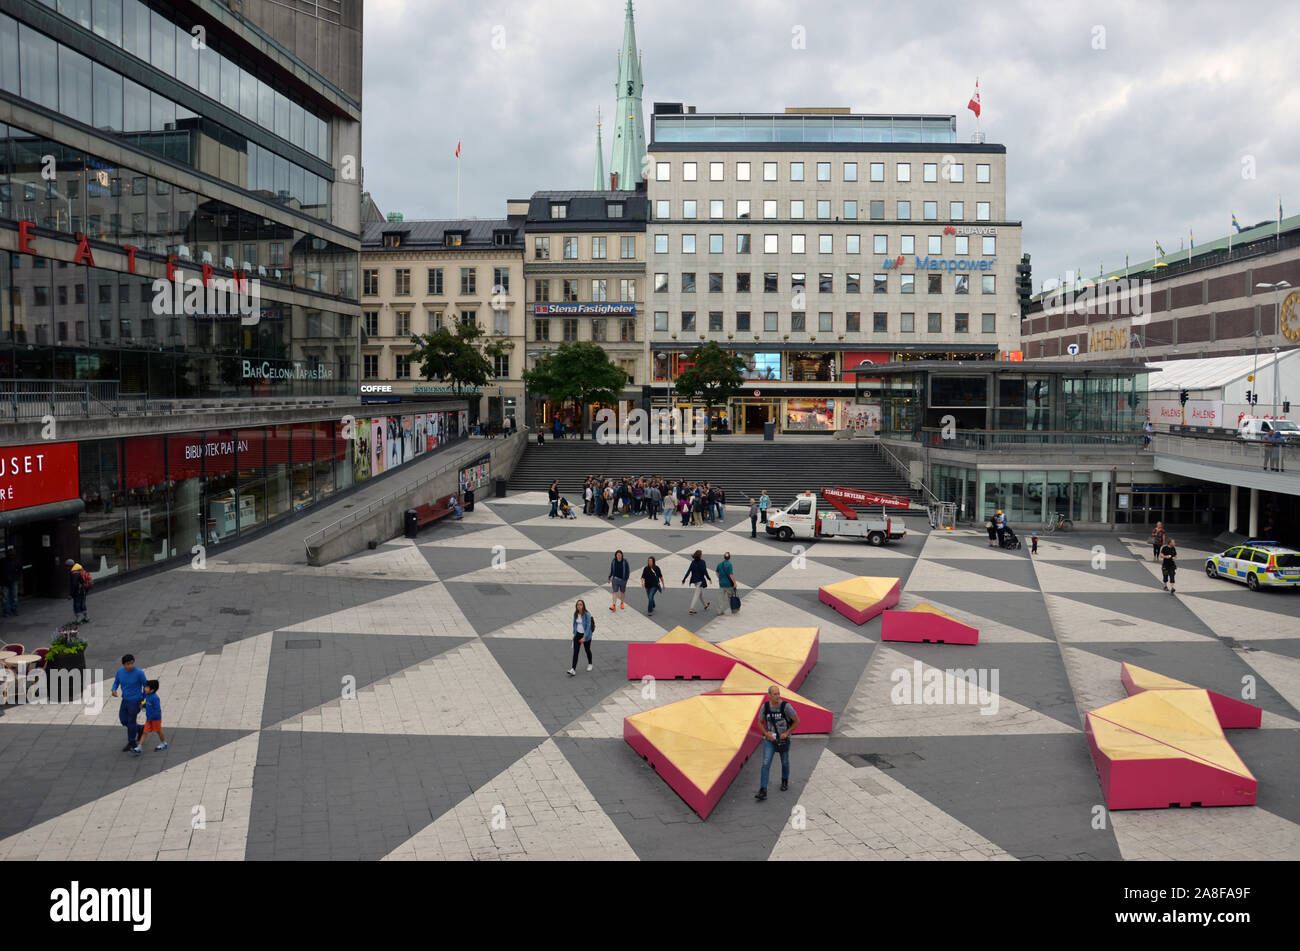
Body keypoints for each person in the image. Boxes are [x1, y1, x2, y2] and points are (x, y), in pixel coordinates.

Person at [755, 686, 799, 801]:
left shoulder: (786, 706)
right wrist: (766, 733)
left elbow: (796, 721)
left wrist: (787, 732)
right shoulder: (765, 707)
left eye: (778, 693)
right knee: (765, 764)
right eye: (774, 694)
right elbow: (759, 722)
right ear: (769, 695)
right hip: (770, 740)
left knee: (784, 761)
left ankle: (784, 780)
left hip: (783, 740)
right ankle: (763, 789)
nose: (777, 696)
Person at [111, 653, 148, 753]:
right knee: (123, 720)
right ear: (123, 664)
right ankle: (140, 729)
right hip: (125, 700)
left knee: (131, 722)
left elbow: (146, 687)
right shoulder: (120, 672)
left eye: (132, 663)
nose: (130, 666)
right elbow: (116, 682)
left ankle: (132, 742)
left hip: (135, 701)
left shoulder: (139, 673)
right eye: (128, 664)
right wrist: (114, 689)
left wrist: (143, 702)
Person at [139, 680, 168, 753]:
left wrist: (151, 717)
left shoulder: (155, 698)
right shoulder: (148, 695)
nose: (145, 688)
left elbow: (157, 710)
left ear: (152, 690)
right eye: (146, 687)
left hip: (155, 719)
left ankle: (164, 743)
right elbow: (147, 703)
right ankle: (139, 747)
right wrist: (143, 705)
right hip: (149, 718)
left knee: (158, 731)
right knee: (145, 732)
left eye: (147, 687)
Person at [567, 599, 594, 675]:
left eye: (580, 604)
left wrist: (585, 637)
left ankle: (590, 664)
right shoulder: (575, 614)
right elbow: (575, 624)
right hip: (578, 634)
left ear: (583, 606)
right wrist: (574, 634)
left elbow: (588, 626)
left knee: (587, 650)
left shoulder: (587, 614)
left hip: (586, 635)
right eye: (578, 604)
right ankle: (573, 669)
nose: (579, 606)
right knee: (575, 652)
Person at [682, 550, 711, 614]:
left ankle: (705, 605)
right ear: (700, 555)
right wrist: (709, 578)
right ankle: (691, 609)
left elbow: (688, 571)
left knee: (700, 595)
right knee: (696, 595)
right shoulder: (702, 562)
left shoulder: (693, 562)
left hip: (695, 581)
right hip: (700, 581)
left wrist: (684, 579)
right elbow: (705, 571)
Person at [66, 559, 90, 623]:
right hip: (83, 590)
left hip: (78, 592)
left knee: (76, 605)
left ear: (70, 566)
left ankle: (78, 619)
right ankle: (86, 618)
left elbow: (74, 585)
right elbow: (82, 581)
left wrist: (71, 594)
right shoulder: (80, 570)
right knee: (82, 604)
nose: (66, 568)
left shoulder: (74, 573)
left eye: (67, 566)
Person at [0, 547, 19, 617]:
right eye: (10, 554)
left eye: (12, 554)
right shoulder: (3, 561)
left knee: (13, 597)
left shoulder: (16, 561)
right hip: (5, 581)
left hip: (13, 580)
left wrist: (17, 577)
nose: (12, 555)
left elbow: (19, 570)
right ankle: (7, 611)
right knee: (6, 597)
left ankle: (13, 610)